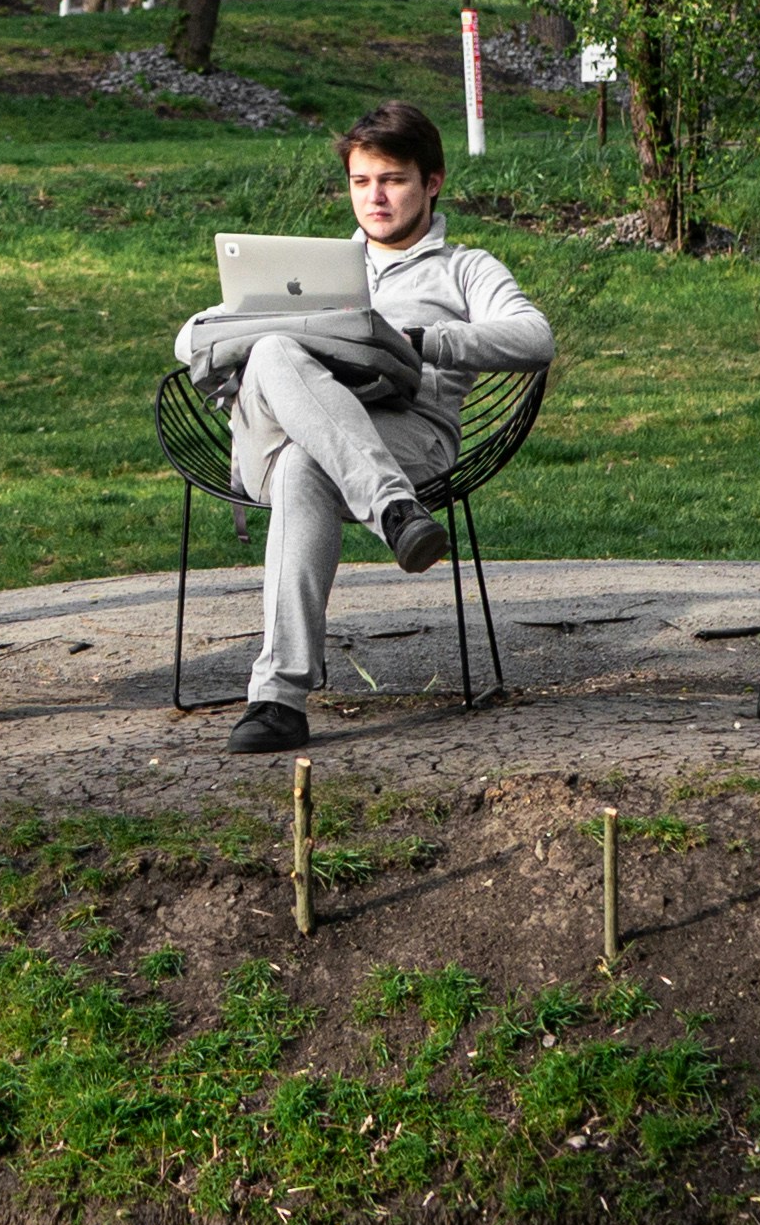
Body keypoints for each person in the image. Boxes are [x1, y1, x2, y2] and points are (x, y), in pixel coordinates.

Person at [182, 101, 551, 754]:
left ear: (431, 181)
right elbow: (190, 336)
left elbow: (533, 336)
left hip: (409, 439)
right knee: (271, 353)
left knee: (305, 465)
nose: (374, 196)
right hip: (285, 445)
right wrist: (284, 327)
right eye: (360, 181)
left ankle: (277, 699)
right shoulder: (311, 267)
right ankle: (393, 513)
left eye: (392, 179)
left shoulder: (465, 268)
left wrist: (412, 339)